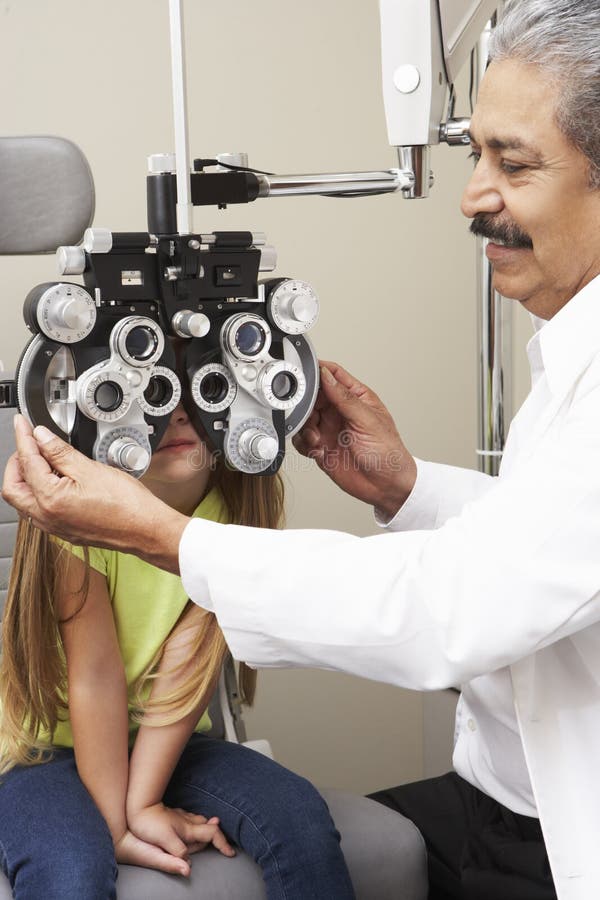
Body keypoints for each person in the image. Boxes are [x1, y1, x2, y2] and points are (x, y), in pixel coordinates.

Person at [3, 0, 600, 897]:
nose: (474, 194)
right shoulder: (566, 353)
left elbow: (463, 607)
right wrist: (405, 489)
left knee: (310, 834)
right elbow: (546, 547)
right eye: (475, 154)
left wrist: (171, 541)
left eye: (511, 163)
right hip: (501, 798)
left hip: (556, 827)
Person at [0, 400, 356, 900]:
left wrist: (143, 801)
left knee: (297, 814)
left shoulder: (236, 507)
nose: (178, 415)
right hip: (39, 749)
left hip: (159, 736)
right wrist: (119, 827)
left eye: (198, 388)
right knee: (70, 869)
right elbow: (95, 675)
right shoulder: (76, 511)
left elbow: (188, 664)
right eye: (153, 393)